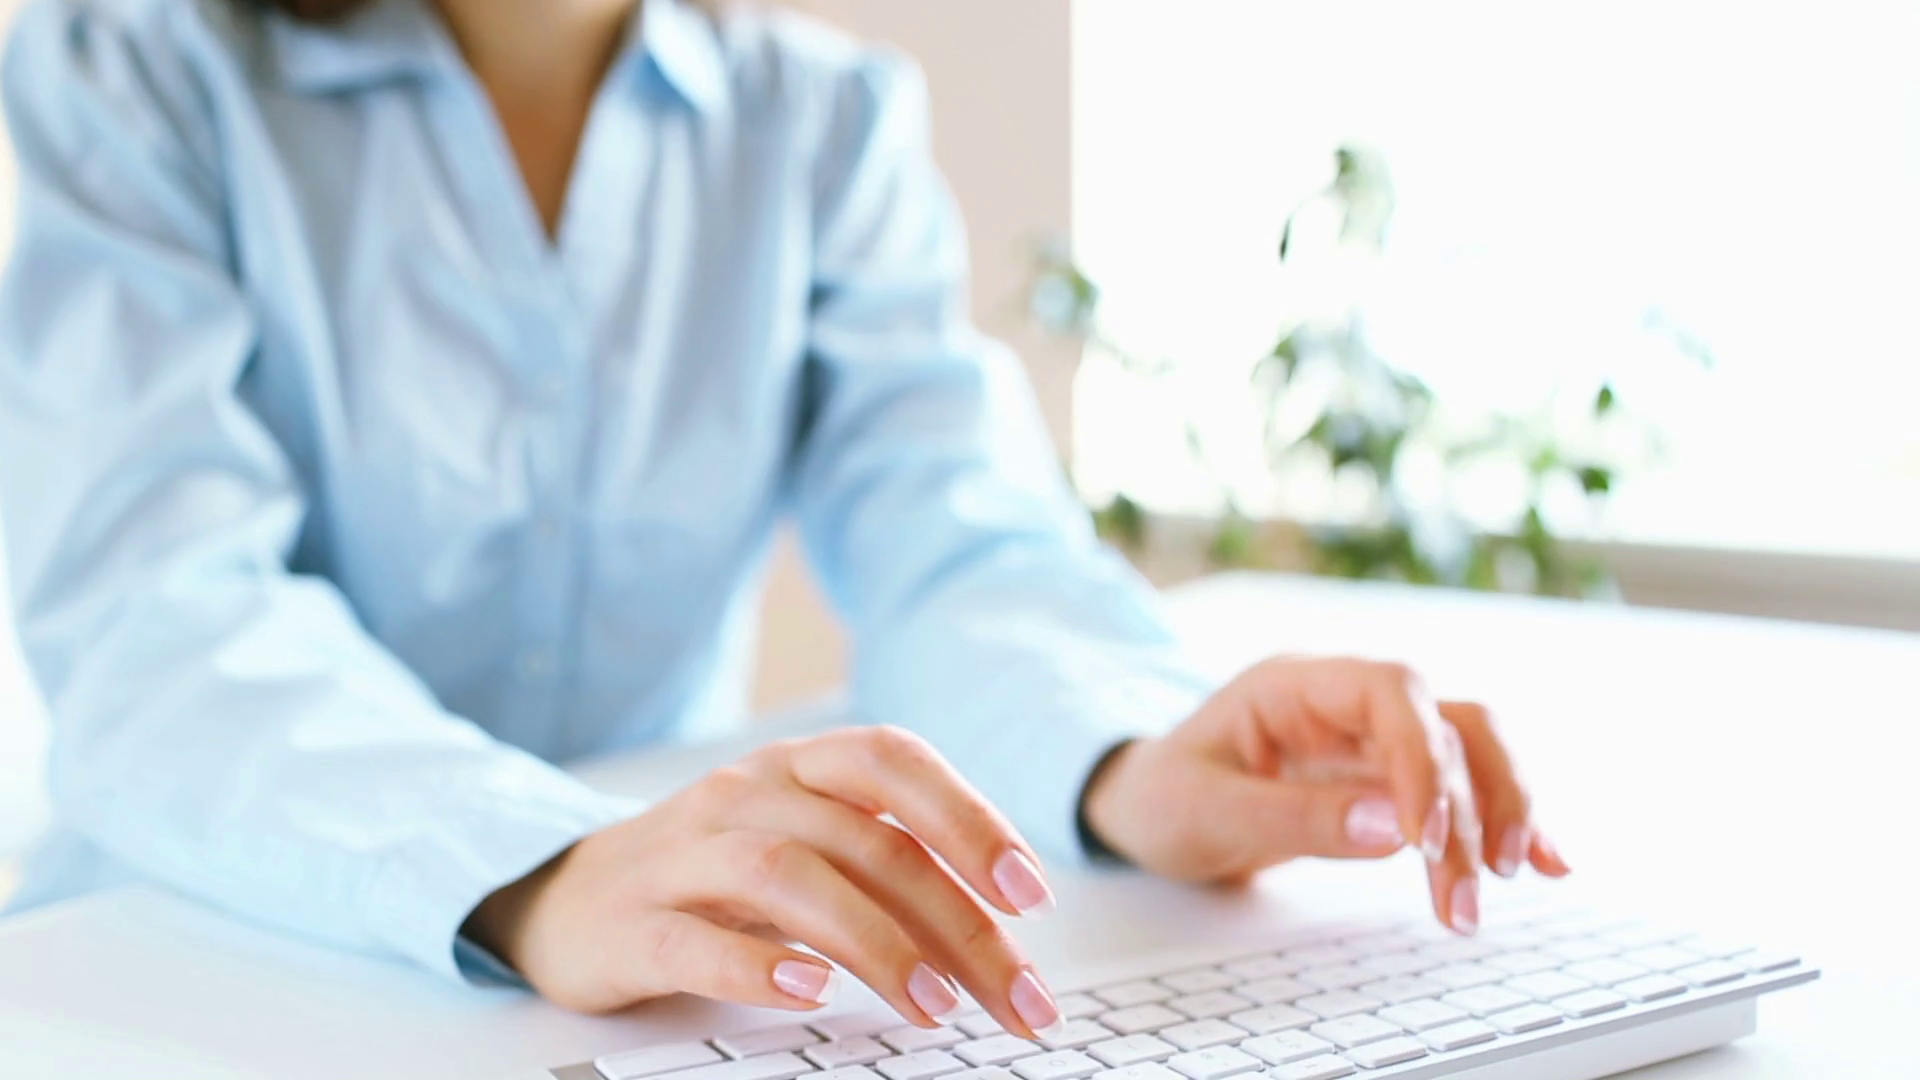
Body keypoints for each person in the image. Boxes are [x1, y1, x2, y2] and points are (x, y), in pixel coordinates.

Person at [0, 0, 1567, 1035]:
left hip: (661, 985)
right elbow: (159, 611)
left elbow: (957, 547)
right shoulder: (130, 65)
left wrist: (1131, 761)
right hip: (185, 964)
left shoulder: (824, 120)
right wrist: (538, 864)